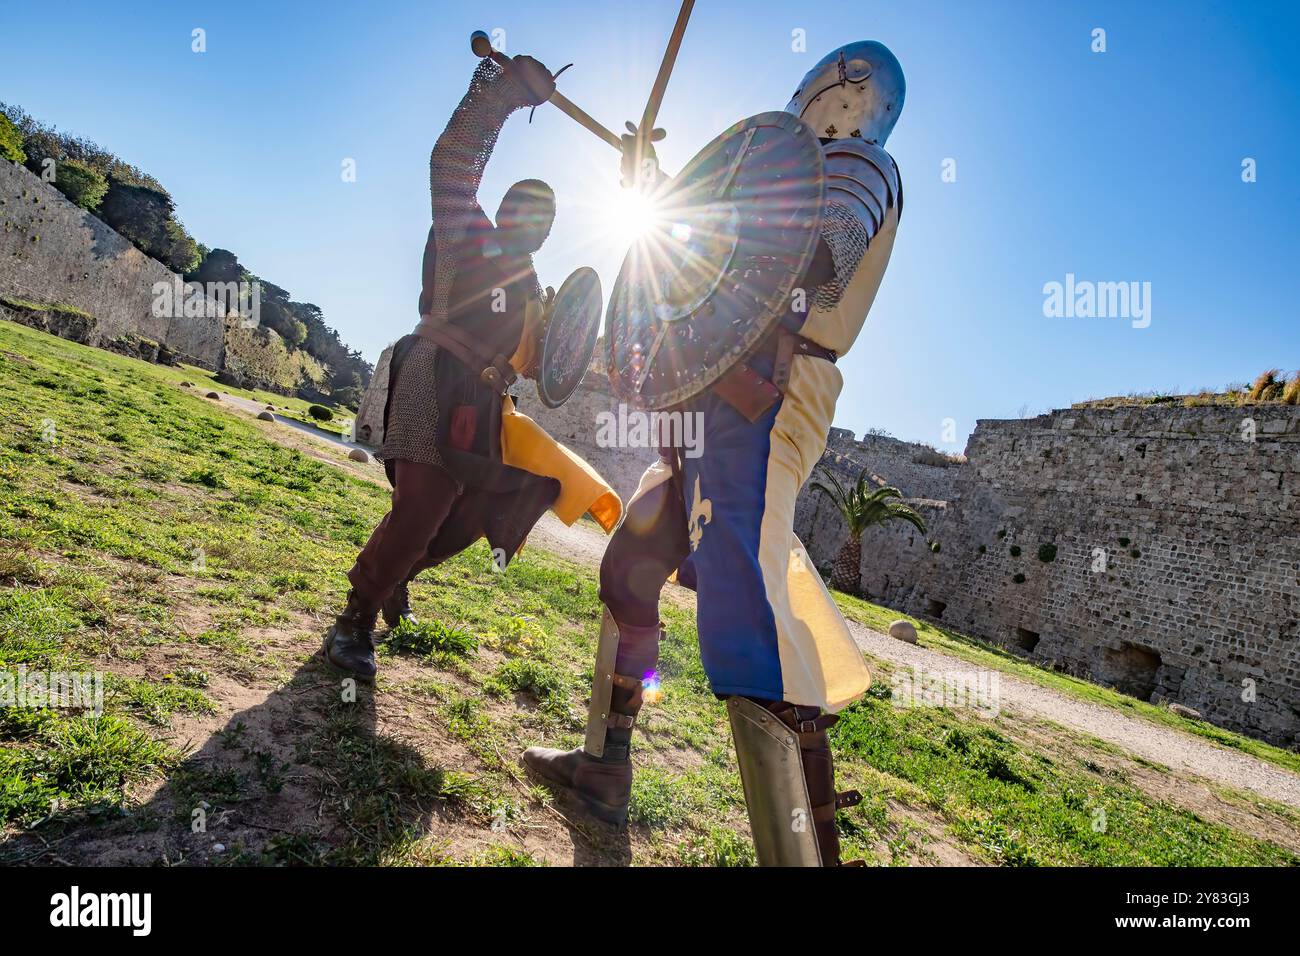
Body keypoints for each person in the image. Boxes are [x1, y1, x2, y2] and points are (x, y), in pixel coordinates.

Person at [523, 41, 906, 867]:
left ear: (842, 88)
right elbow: (711, 266)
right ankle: (605, 767)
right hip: (711, 397)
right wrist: (662, 199)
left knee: (746, 611)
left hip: (774, 389)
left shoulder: (860, 166)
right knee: (631, 563)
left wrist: (697, 211)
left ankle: (808, 855)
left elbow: (811, 260)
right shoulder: (793, 175)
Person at [325, 53, 620, 680]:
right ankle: (354, 617)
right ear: (504, 208)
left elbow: (549, 368)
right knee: (424, 504)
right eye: (526, 209)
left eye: (546, 220)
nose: (535, 225)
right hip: (434, 377)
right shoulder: (467, 231)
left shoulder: (533, 293)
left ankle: (392, 577)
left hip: (485, 408)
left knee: (475, 511)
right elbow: (452, 159)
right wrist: (506, 94)